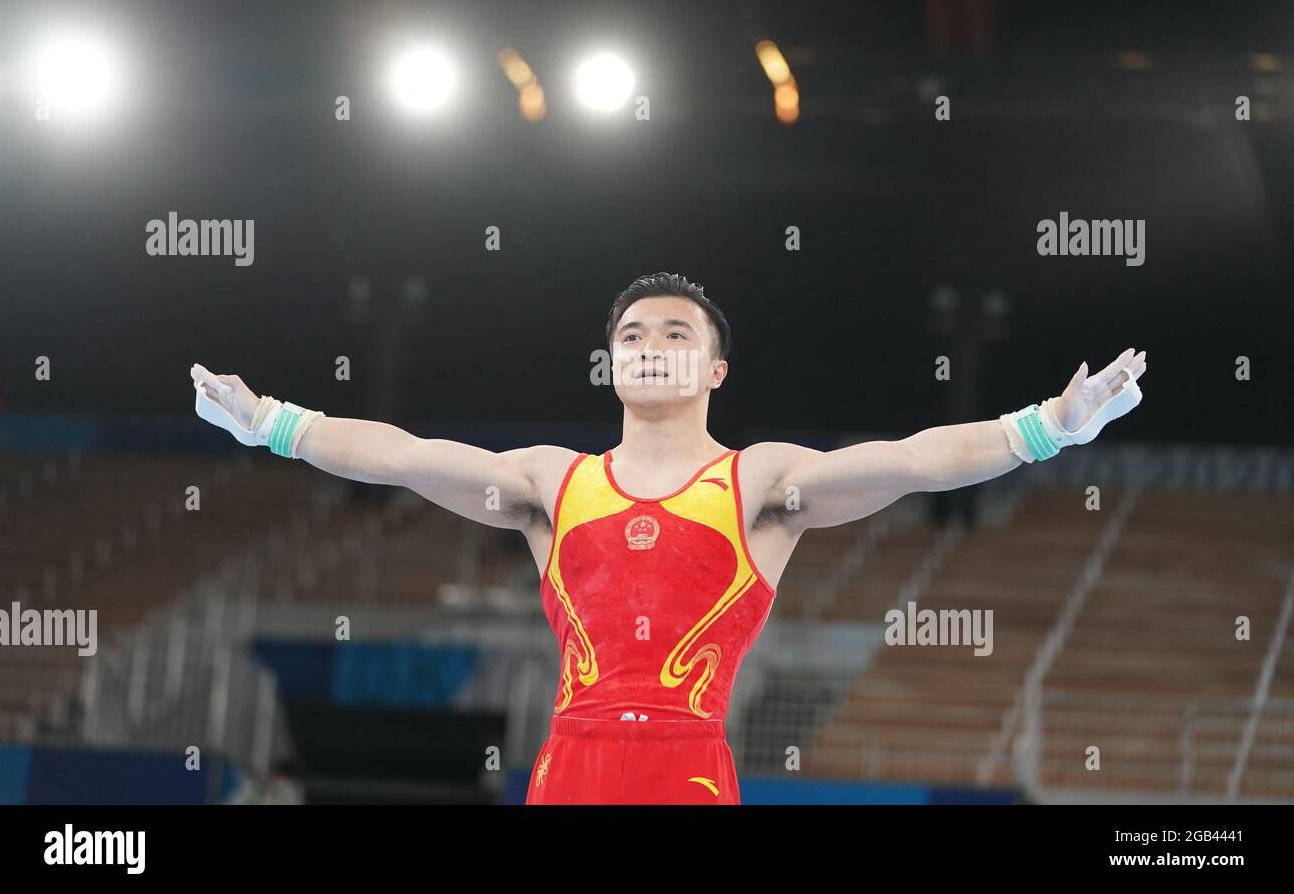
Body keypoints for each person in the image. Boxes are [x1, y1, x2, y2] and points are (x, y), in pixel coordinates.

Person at [190, 271, 1146, 804]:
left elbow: (909, 462)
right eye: (635, 330)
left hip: (686, 762)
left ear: (716, 368)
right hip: (568, 764)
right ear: (610, 364)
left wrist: (1047, 428)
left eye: (677, 332)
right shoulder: (550, 482)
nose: (653, 341)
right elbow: (402, 455)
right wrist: (274, 421)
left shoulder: (762, 482)